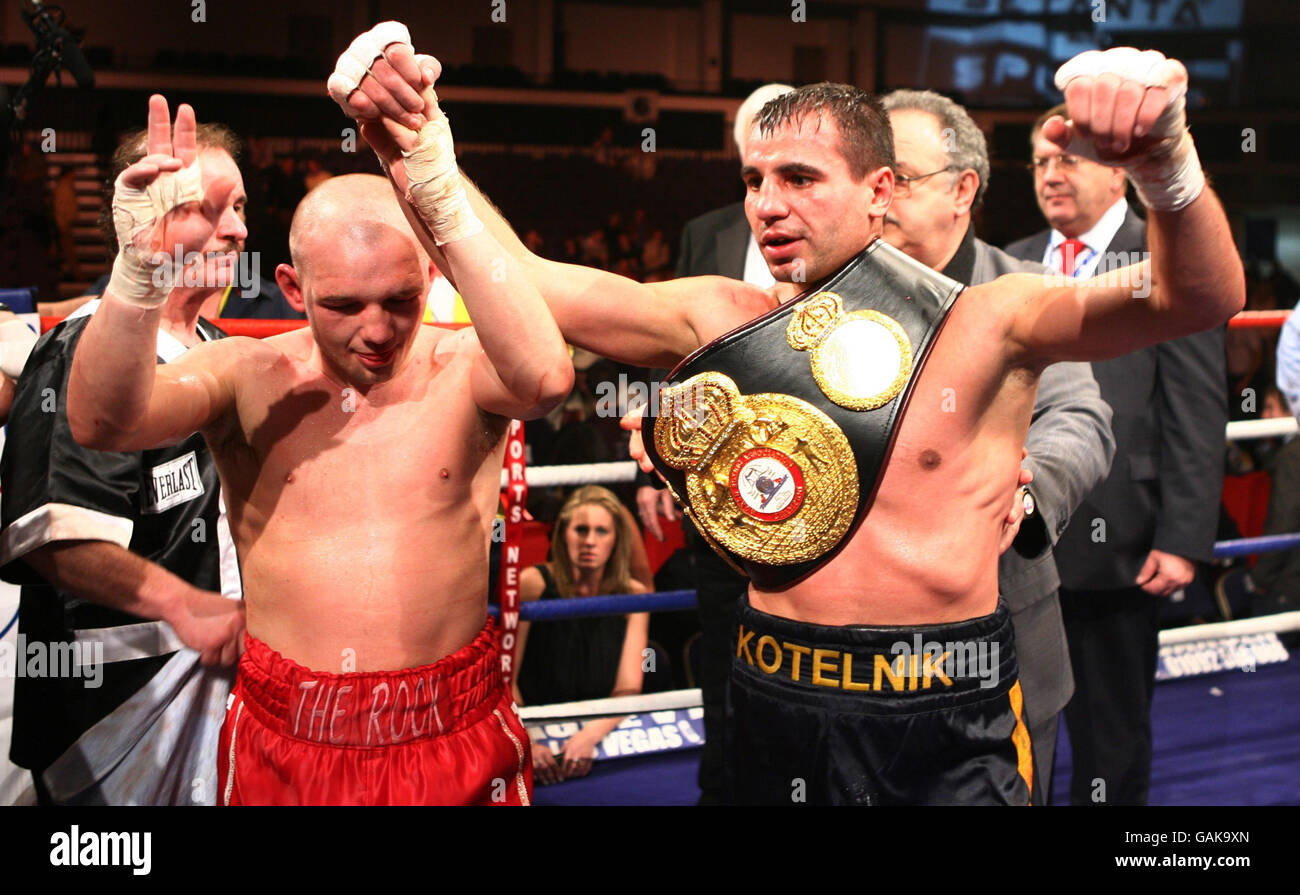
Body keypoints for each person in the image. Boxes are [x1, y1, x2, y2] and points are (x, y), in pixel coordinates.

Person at [341, 29, 1244, 805]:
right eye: (754, 179)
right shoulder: (721, 313)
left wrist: (1165, 165)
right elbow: (530, 284)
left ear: (879, 190)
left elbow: (1194, 297)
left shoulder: (993, 318)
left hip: (950, 708)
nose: (768, 203)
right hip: (773, 690)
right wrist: (424, 157)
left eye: (801, 178)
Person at [65, 91, 573, 804]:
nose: (376, 330)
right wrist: (138, 271)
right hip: (288, 737)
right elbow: (100, 423)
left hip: (454, 726)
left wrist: (443, 204)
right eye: (343, 306)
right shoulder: (245, 375)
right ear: (291, 288)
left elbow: (548, 377)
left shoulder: (465, 369)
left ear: (429, 277)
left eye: (399, 299)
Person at [0, 119, 248, 806]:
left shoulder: (225, 351)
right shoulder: (82, 352)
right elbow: (55, 538)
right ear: (145, 219)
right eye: (209, 209)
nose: (235, 231)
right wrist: (188, 605)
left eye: (241, 209)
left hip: (221, 693)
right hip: (112, 716)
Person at [878, 88, 1115, 806]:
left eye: (899, 178)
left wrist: (1026, 485)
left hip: (1002, 640)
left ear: (963, 189)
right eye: (871, 179)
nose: (879, 196)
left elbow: (1081, 414)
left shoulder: (1031, 289)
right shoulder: (828, 299)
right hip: (856, 661)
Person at [1005, 103, 1228, 806]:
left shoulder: (1163, 253)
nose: (1050, 174)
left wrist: (1183, 538)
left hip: (1122, 542)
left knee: (1111, 738)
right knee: (1011, 735)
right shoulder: (1006, 262)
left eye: (1067, 158)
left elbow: (1197, 406)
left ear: (1118, 174)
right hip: (1014, 542)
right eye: (1040, 161)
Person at [637, 82, 793, 804]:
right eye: (754, 167)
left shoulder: (850, 246)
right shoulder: (708, 233)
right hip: (715, 502)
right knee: (723, 672)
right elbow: (669, 352)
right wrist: (656, 459)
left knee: (798, 680)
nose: (768, 188)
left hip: (814, 500)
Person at [513, 486, 649, 785]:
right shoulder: (532, 584)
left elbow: (628, 688)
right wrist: (526, 739)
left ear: (616, 540)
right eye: (581, 529)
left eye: (602, 531)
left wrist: (590, 735)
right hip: (537, 727)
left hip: (597, 729)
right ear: (563, 534)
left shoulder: (634, 596)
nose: (590, 541)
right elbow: (505, 681)